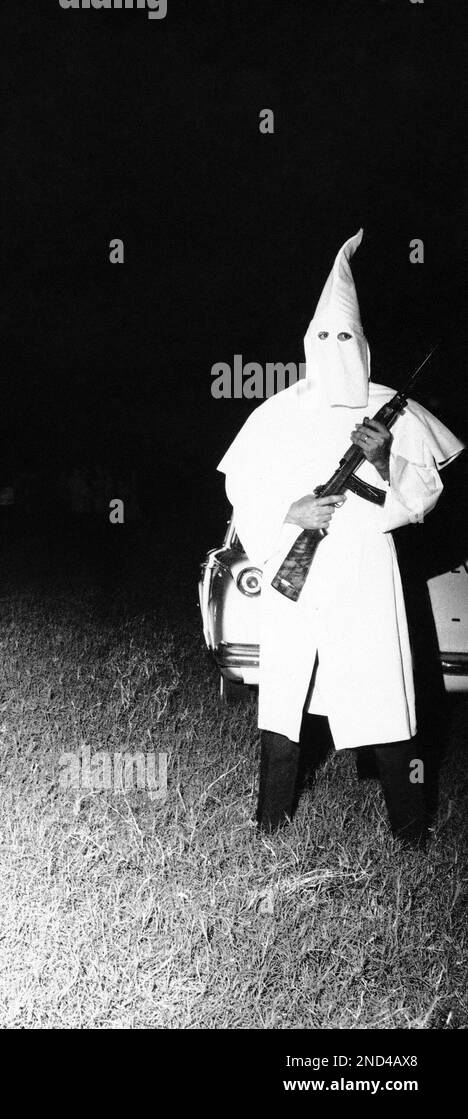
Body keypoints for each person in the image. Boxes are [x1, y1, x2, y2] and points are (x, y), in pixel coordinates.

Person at [218, 230, 463, 846]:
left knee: (383, 691)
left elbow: (426, 494)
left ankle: (409, 832)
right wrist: (292, 512)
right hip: (294, 571)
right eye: (324, 336)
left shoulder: (391, 409)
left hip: (363, 570)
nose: (335, 347)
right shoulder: (275, 414)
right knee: (283, 698)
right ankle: (270, 822)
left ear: (364, 343)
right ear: (307, 341)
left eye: (345, 337)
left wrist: (383, 463)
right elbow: (243, 490)